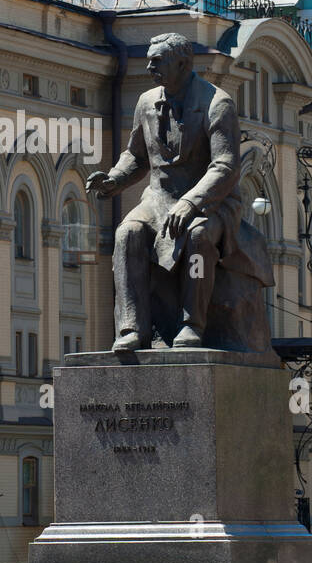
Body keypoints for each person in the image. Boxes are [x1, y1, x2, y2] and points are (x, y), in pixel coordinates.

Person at [86, 32, 273, 352]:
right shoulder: (146, 102)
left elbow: (225, 166)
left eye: (157, 61)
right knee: (127, 234)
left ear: (183, 64)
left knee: (198, 238)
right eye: (148, 60)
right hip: (158, 198)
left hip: (211, 204)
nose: (149, 68)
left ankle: (191, 324)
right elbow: (137, 156)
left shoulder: (217, 104)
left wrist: (191, 203)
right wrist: (115, 180)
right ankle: (133, 327)